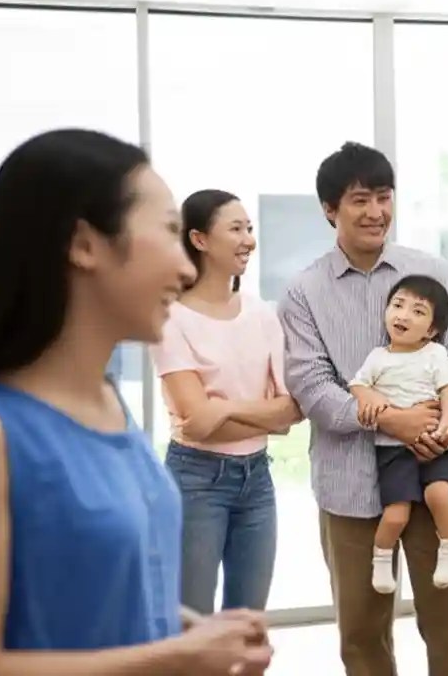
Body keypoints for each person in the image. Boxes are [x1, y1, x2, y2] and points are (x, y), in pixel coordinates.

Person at [0, 128, 273, 674]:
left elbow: (102, 588)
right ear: (84, 244)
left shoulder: (108, 403)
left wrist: (195, 629)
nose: (186, 268)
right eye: (169, 233)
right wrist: (177, 655)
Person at [279, 141, 448, 675]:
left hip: (435, 473)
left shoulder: (434, 274)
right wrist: (395, 419)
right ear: (330, 210)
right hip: (350, 489)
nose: (376, 212)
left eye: (384, 197)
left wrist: (439, 425)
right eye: (359, 200)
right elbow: (312, 386)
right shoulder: (303, 292)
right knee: (362, 641)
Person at [150, 188, 302, 615]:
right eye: (236, 228)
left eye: (249, 228)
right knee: (191, 623)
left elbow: (290, 413)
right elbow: (196, 423)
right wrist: (257, 414)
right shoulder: (171, 318)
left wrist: (224, 408)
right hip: (195, 480)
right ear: (199, 240)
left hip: (257, 480)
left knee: (248, 623)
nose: (249, 239)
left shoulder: (261, 313)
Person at [349, 274, 448, 595]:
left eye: (418, 311)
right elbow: (357, 385)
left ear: (431, 330)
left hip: (437, 443)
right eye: (397, 305)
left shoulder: (435, 355)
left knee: (439, 495)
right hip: (393, 449)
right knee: (396, 515)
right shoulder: (377, 358)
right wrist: (368, 397)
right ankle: (382, 560)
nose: (403, 315)